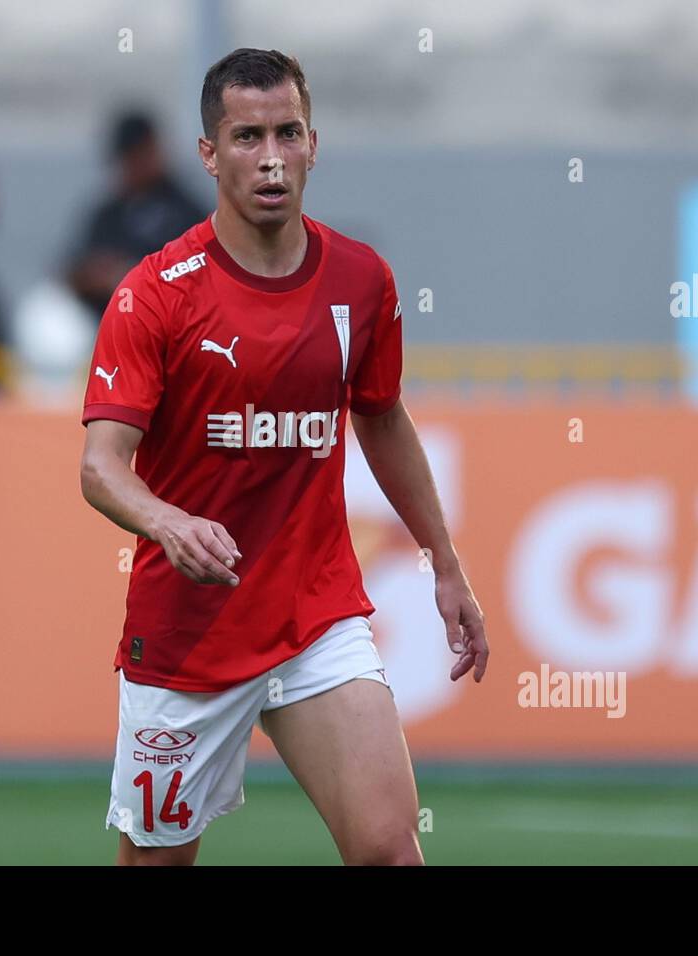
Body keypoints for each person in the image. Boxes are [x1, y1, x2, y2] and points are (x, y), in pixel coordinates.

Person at [78, 48, 487, 866]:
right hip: (190, 632)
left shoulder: (361, 281)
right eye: (246, 136)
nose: (270, 157)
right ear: (208, 153)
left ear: (312, 143)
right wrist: (168, 523)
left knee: (389, 852)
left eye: (287, 133)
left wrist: (445, 560)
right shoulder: (156, 293)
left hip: (315, 615)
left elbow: (382, 418)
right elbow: (100, 465)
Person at [65, 111, 208, 326]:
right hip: (104, 325)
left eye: (138, 155)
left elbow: (199, 276)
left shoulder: (184, 211)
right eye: (126, 158)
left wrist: (126, 274)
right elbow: (74, 269)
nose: (132, 166)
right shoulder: (108, 212)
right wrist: (94, 276)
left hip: (166, 327)